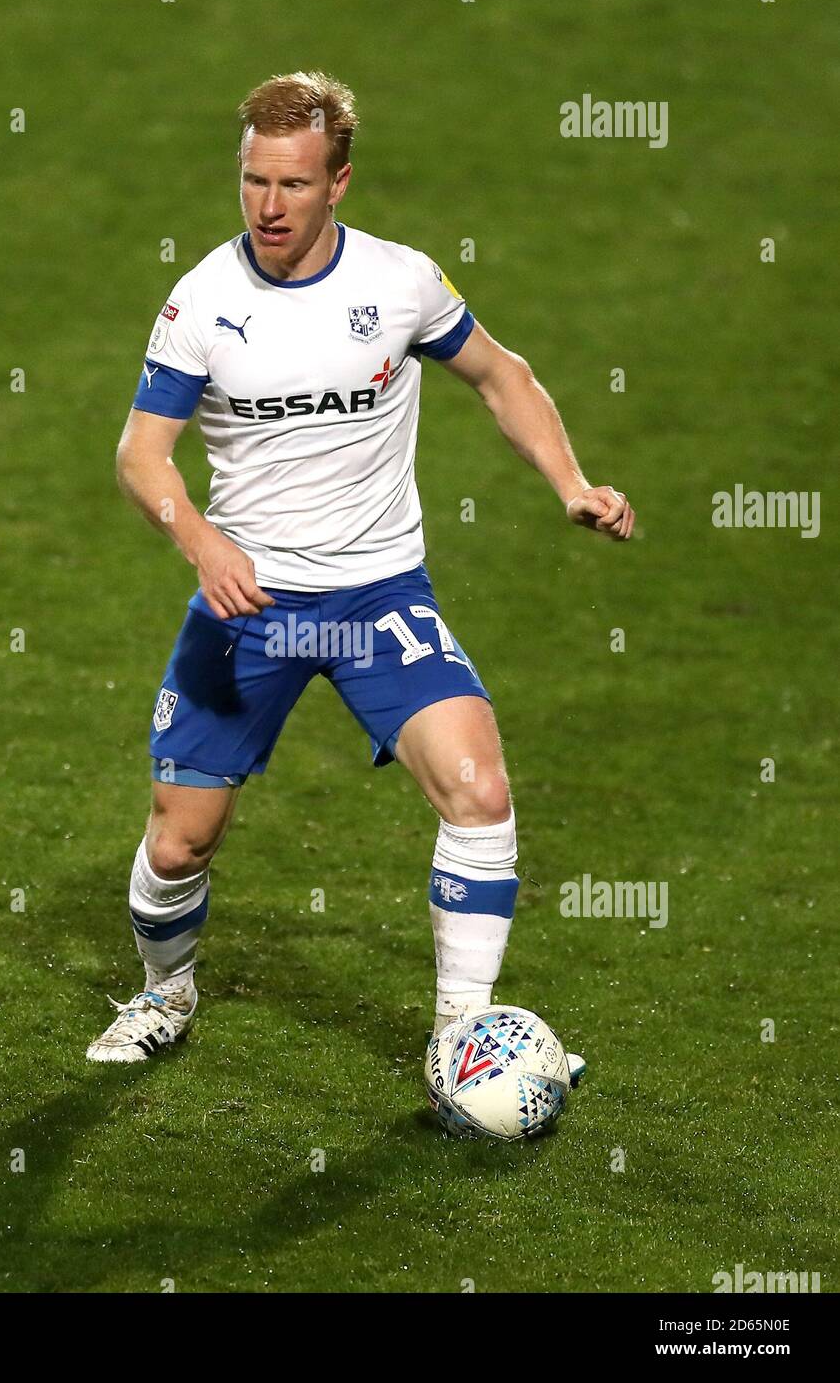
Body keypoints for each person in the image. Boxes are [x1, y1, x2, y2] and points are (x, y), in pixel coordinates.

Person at [87, 71, 633, 1071]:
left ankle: (461, 1038)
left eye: (293, 184)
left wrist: (571, 483)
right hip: (251, 605)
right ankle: (165, 992)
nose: (268, 206)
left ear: (337, 182)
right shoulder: (203, 301)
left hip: (379, 594)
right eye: (253, 180)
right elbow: (140, 455)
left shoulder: (399, 283)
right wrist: (203, 543)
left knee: (479, 789)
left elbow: (500, 376)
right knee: (178, 844)